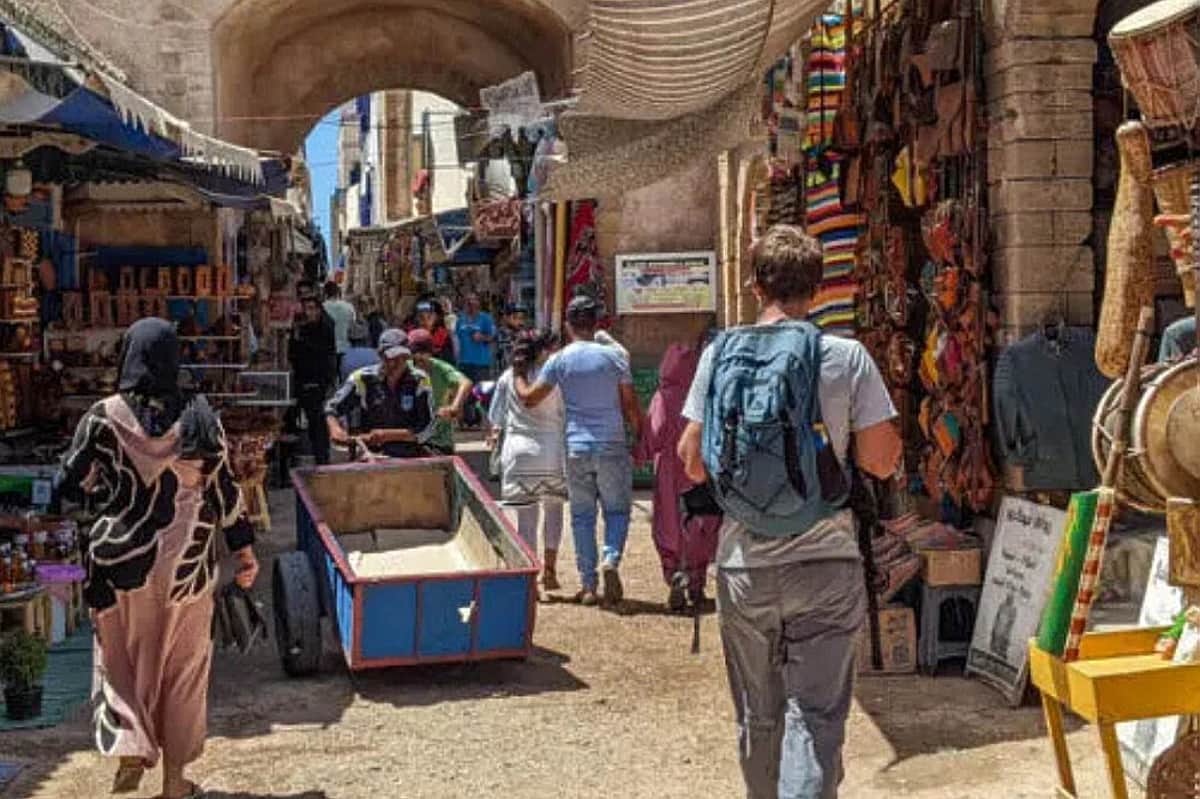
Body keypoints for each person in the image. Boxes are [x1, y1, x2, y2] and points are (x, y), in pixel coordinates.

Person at [677, 226, 901, 799]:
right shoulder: (845, 357)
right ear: (818, 289)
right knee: (816, 718)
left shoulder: (720, 354)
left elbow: (691, 463)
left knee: (759, 715)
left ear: (755, 286)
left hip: (743, 567)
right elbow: (880, 460)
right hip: (827, 563)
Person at [57, 318, 259, 799]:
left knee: (119, 659)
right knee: (183, 670)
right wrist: (245, 552)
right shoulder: (200, 417)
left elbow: (67, 483)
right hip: (186, 566)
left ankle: (130, 743)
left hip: (116, 564)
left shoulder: (102, 416)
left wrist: (105, 495)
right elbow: (225, 492)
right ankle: (174, 784)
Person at [514, 295, 643, 607]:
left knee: (582, 516)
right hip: (611, 443)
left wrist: (518, 374)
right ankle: (610, 559)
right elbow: (629, 405)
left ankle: (588, 585)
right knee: (617, 511)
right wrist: (639, 435)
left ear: (568, 325)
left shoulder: (560, 360)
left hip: (575, 447)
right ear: (596, 323)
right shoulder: (615, 358)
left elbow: (530, 398)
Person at [635, 342, 720, 611]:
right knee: (701, 524)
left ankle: (674, 576)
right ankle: (697, 583)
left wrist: (642, 453)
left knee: (669, 522)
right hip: (698, 467)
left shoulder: (663, 396)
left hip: (668, 471)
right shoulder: (704, 395)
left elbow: (656, 431)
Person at [489, 329, 567, 590]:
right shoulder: (555, 377)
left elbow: (496, 417)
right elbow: (565, 414)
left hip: (518, 454)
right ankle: (551, 572)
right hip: (551, 452)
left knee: (526, 521)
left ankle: (530, 580)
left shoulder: (507, 377)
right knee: (554, 511)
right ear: (543, 350)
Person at [325, 328, 435, 459]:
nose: (394, 363)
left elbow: (426, 429)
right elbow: (331, 408)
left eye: (401, 358)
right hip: (371, 455)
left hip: (409, 456)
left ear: (407, 357)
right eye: (390, 358)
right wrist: (335, 429)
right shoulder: (362, 379)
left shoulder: (420, 381)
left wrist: (385, 435)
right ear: (380, 355)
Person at [408, 328, 473, 455]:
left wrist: (454, 407)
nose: (419, 356)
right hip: (412, 437)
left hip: (439, 439)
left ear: (431, 352)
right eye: (415, 352)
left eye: (424, 352)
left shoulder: (441, 368)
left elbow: (465, 383)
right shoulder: (406, 368)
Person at [290, 294, 337, 465]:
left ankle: (322, 458)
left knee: (317, 421)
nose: (308, 313)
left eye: (311, 309)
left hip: (318, 381)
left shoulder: (324, 327)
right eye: (305, 309)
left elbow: (324, 354)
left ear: (318, 310)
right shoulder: (302, 327)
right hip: (301, 379)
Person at [455, 293, 496, 383]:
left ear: (479, 303)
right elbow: (457, 340)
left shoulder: (486, 318)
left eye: (474, 300)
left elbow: (493, 337)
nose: (471, 302)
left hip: (481, 364)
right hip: (463, 364)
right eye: (468, 300)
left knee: (481, 391)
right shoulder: (460, 320)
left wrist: (482, 337)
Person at [322, 281, 357, 366]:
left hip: (327, 350)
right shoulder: (349, 307)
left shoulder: (322, 308)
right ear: (338, 292)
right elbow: (352, 328)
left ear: (325, 293)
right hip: (345, 348)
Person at [495, 303, 529, 374]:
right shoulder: (503, 333)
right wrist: (519, 339)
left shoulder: (525, 332)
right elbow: (507, 357)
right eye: (515, 317)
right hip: (508, 373)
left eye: (522, 318)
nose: (520, 321)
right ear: (507, 318)